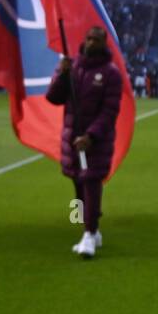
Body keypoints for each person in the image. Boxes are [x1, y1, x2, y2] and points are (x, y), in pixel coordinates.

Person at [46, 25, 123, 259]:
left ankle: (89, 234)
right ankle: (92, 229)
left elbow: (110, 111)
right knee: (78, 183)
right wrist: (61, 73)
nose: (91, 43)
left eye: (96, 40)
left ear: (104, 43)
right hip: (73, 138)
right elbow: (53, 97)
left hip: (95, 141)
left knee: (91, 182)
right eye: (88, 38)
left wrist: (91, 136)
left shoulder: (111, 73)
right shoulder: (74, 67)